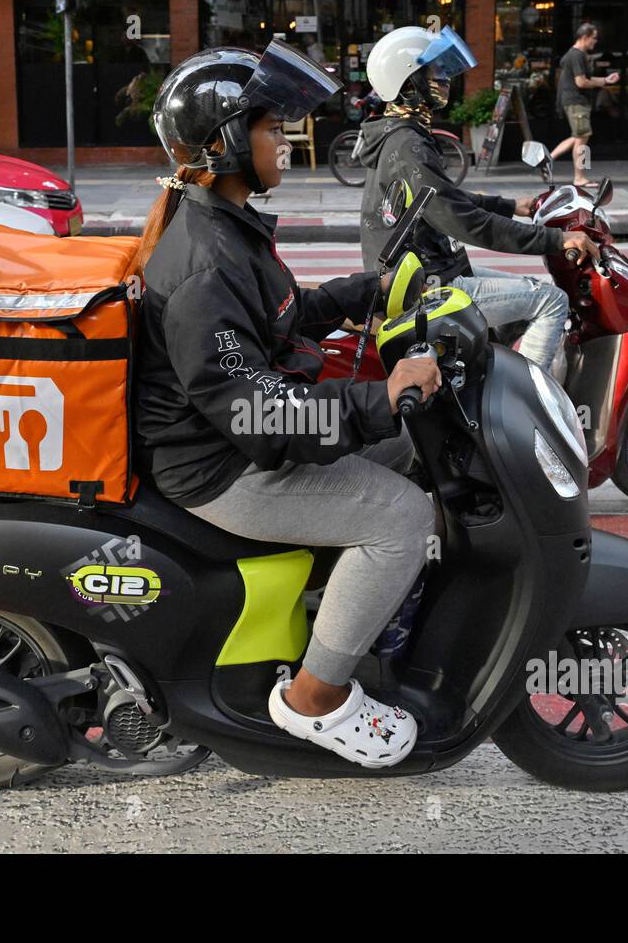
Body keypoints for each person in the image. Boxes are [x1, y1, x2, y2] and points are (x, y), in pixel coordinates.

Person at [134, 42, 438, 768]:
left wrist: (363, 291)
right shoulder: (208, 260)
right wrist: (379, 398)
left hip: (230, 441)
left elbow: (277, 319)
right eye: (272, 128)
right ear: (227, 142)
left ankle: (350, 620)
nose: (287, 141)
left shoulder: (228, 229)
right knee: (401, 516)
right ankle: (316, 697)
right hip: (218, 468)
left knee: (413, 454)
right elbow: (251, 410)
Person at [359, 25, 597, 372]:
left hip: (428, 271)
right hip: (423, 284)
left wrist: (508, 205)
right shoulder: (408, 145)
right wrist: (555, 239)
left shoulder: (402, 136)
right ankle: (532, 405)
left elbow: (442, 197)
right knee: (551, 300)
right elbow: (465, 222)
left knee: (523, 294)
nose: (444, 81)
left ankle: (485, 382)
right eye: (434, 73)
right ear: (409, 83)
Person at [550, 23, 620, 188]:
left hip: (573, 101)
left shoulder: (573, 54)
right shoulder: (577, 55)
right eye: (594, 38)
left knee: (578, 136)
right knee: (582, 138)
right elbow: (581, 82)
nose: (595, 42)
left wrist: (605, 81)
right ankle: (579, 177)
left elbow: (584, 79)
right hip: (576, 101)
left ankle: (547, 159)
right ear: (585, 37)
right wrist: (601, 83)